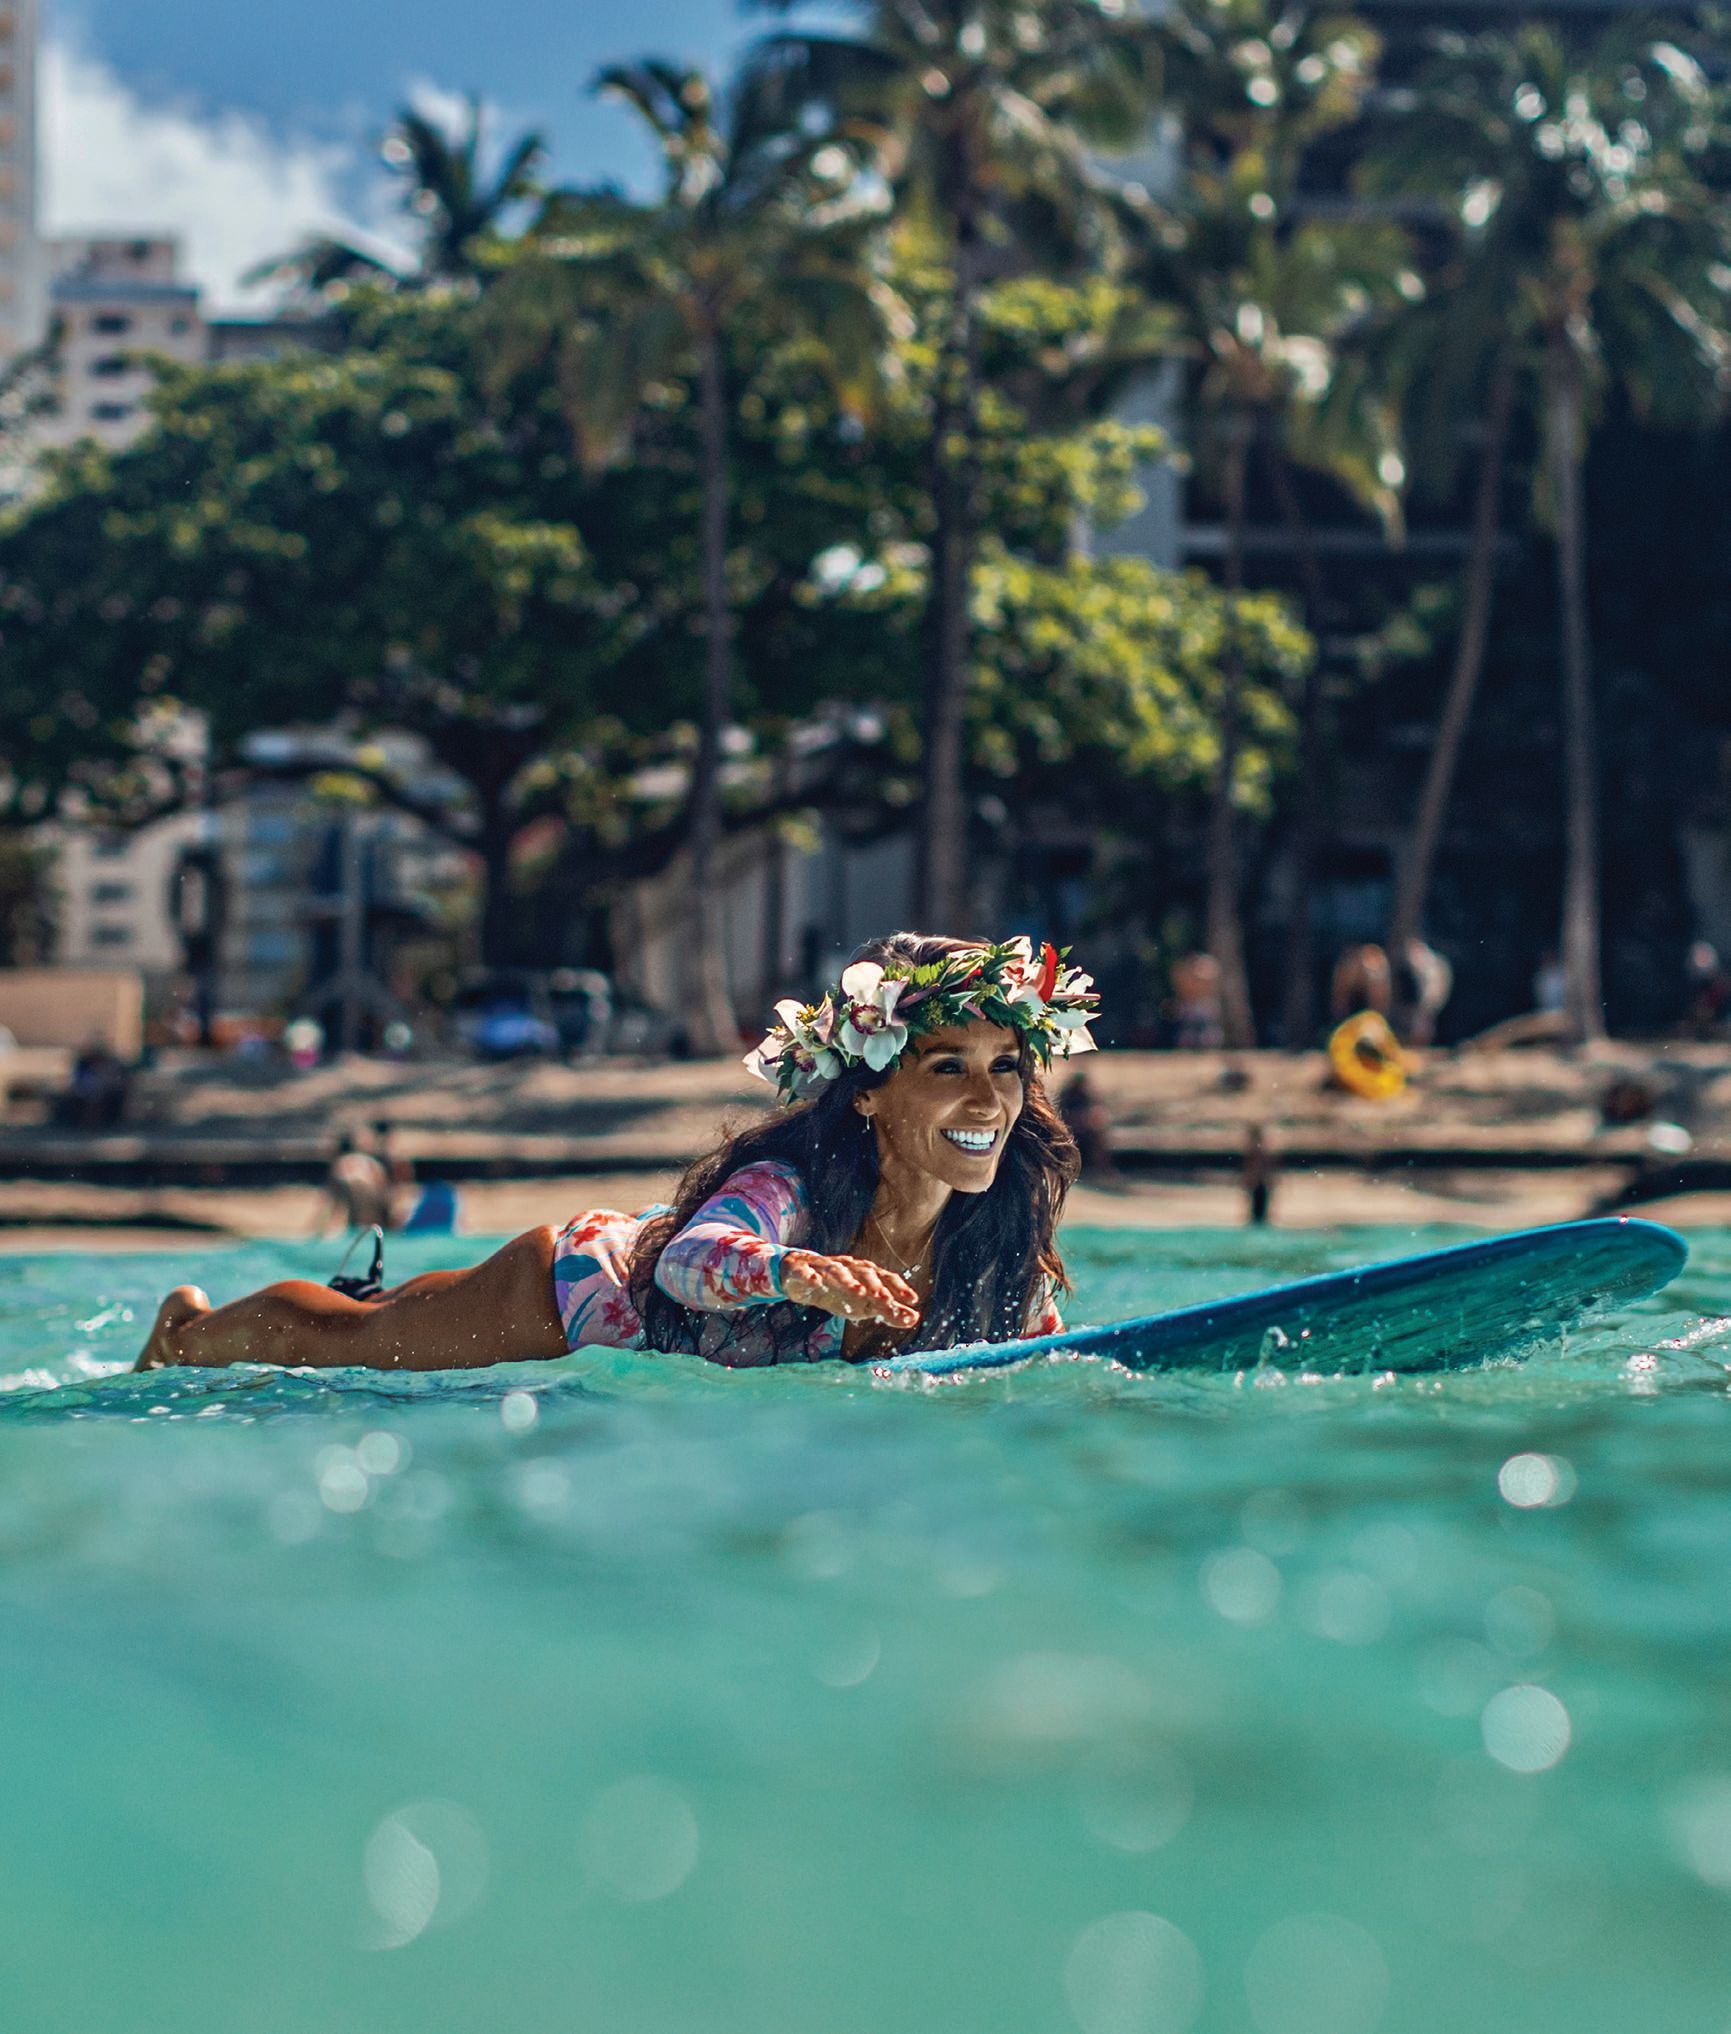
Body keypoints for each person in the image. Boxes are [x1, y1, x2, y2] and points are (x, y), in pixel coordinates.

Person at [135, 932, 1097, 1373]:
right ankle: (186, 1333)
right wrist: (796, 1273)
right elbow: (688, 1262)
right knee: (353, 1341)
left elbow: (1048, 1355)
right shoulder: (790, 1188)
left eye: (1006, 1068)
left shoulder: (996, 1236)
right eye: (947, 1066)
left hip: (639, 1330)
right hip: (572, 1298)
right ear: (871, 1092)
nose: (988, 1100)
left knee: (380, 1317)